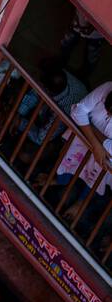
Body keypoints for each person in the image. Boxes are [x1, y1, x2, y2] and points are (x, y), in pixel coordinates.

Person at [56, 83, 112, 229]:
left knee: (96, 174)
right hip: (81, 143)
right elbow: (78, 111)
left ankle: (80, 204)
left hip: (102, 157)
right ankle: (57, 181)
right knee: (67, 168)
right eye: (108, 111)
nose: (109, 115)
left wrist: (88, 127)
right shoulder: (108, 88)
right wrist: (96, 144)